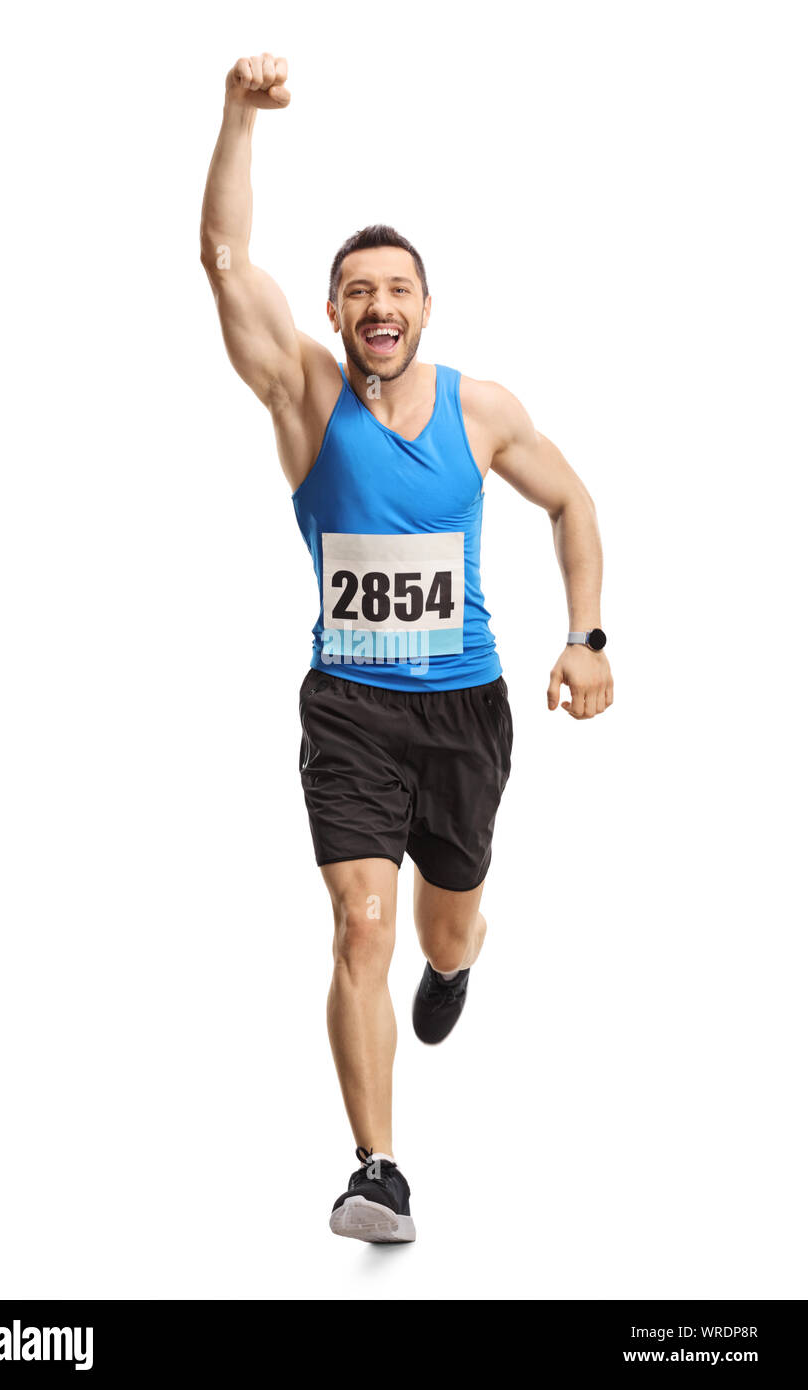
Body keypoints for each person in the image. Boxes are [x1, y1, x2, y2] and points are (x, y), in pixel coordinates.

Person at [200, 53, 614, 1244]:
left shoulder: (480, 408)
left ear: (423, 306)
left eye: (396, 288)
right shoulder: (300, 394)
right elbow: (224, 263)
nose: (376, 306)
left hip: (465, 713)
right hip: (348, 708)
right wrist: (237, 118)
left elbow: (572, 504)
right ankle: (377, 1167)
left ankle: (457, 962)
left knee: (440, 928)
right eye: (355, 291)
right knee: (360, 926)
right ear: (331, 313)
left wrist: (585, 634)